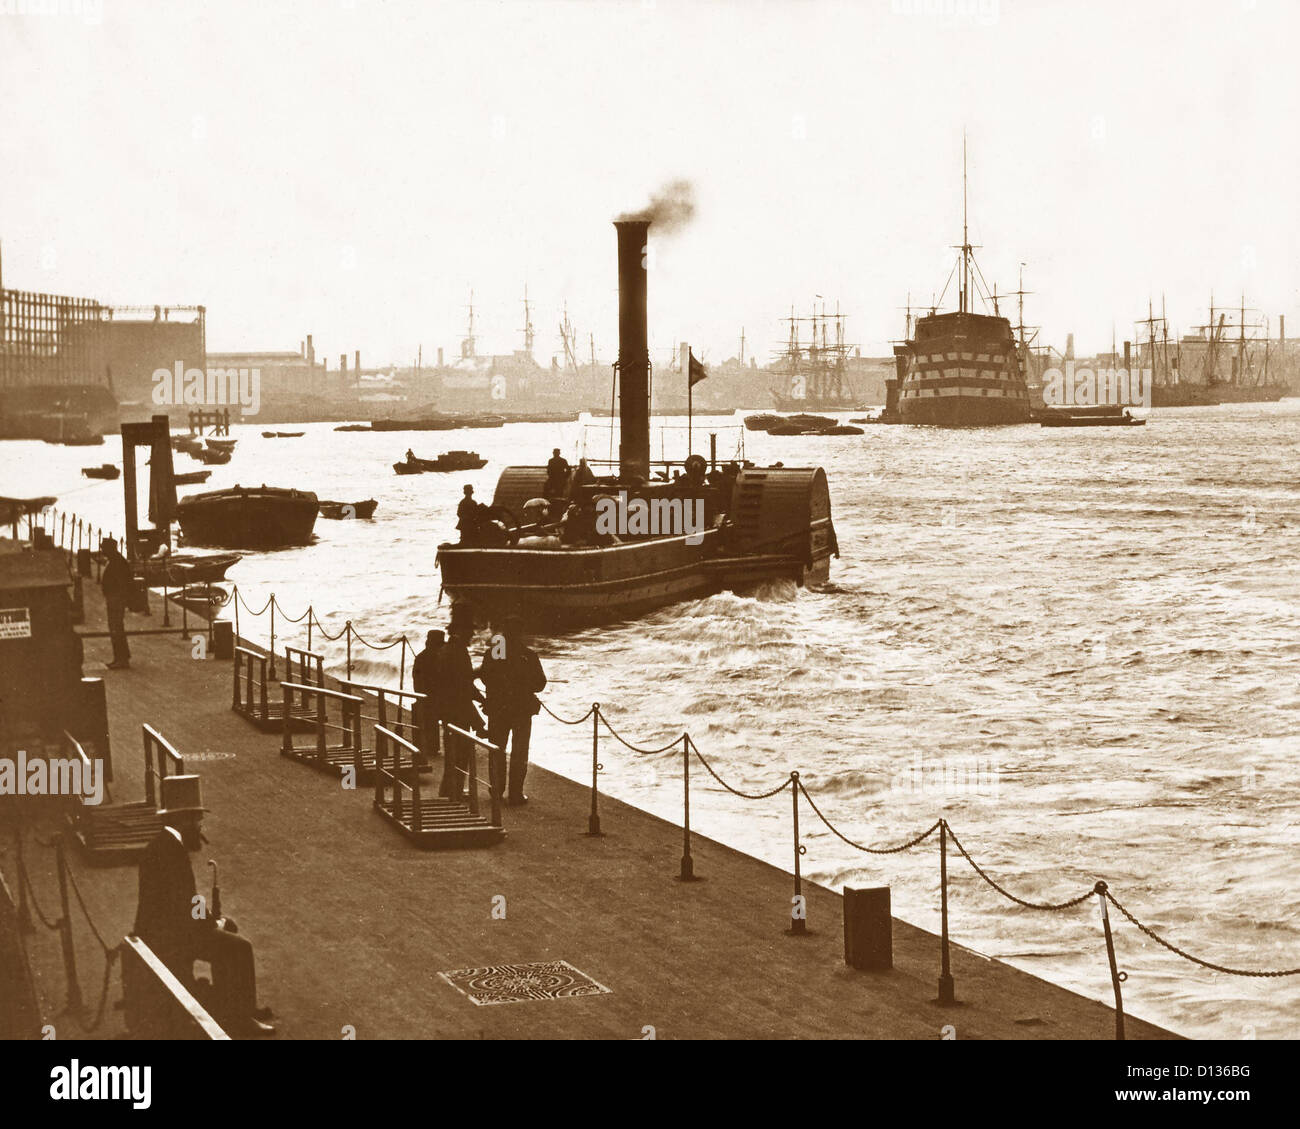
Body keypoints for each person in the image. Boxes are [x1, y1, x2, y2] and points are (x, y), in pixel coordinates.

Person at [133, 777, 274, 1037]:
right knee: (239, 948)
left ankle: (237, 1006)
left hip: (162, 932)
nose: (200, 826)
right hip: (171, 938)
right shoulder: (171, 852)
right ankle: (240, 1019)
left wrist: (210, 919)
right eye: (198, 819)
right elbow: (185, 905)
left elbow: (185, 899)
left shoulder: (163, 844)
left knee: (226, 933)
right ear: (184, 819)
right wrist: (212, 922)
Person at [476, 618, 546, 805]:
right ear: (520, 633)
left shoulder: (494, 653)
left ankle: (496, 790)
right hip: (521, 710)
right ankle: (516, 793)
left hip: (498, 709)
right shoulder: (528, 655)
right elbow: (540, 684)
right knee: (520, 752)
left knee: (496, 750)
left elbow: (485, 677)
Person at [435, 625, 486, 801]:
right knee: (461, 752)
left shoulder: (446, 649)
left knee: (452, 751)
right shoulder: (459, 652)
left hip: (447, 708)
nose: (471, 636)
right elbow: (464, 684)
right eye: (470, 632)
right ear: (461, 633)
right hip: (458, 709)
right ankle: (454, 791)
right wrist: (481, 701)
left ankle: (448, 789)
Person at [411, 630, 444, 764]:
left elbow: (416, 677)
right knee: (430, 719)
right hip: (430, 694)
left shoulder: (422, 657)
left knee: (429, 720)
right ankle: (431, 747)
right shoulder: (432, 657)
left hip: (429, 694)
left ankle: (430, 747)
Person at [100, 537, 132, 670]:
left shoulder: (117, 562)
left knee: (116, 628)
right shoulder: (116, 560)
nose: (101, 550)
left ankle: (121, 659)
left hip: (116, 599)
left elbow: (122, 583)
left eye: (103, 548)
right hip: (114, 598)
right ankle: (121, 657)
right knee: (116, 627)